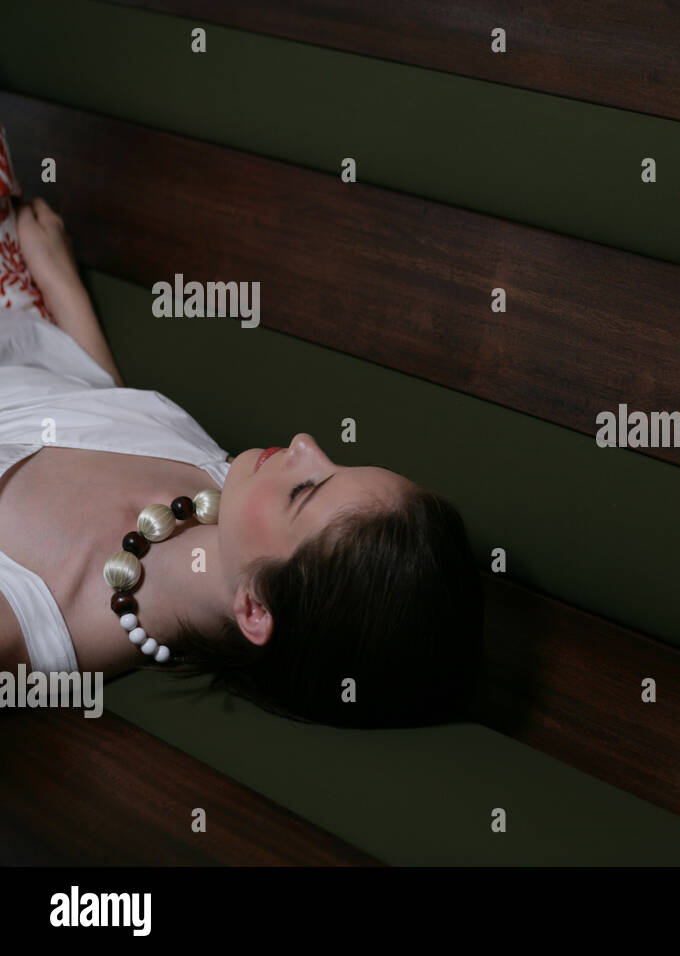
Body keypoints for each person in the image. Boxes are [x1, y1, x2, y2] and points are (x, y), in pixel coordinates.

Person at [0, 127, 484, 729]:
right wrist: (57, 277)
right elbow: (106, 407)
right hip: (21, 324)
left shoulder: (29, 621)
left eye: (306, 489)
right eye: (332, 463)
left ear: (255, 608)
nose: (305, 444)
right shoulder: (220, 493)